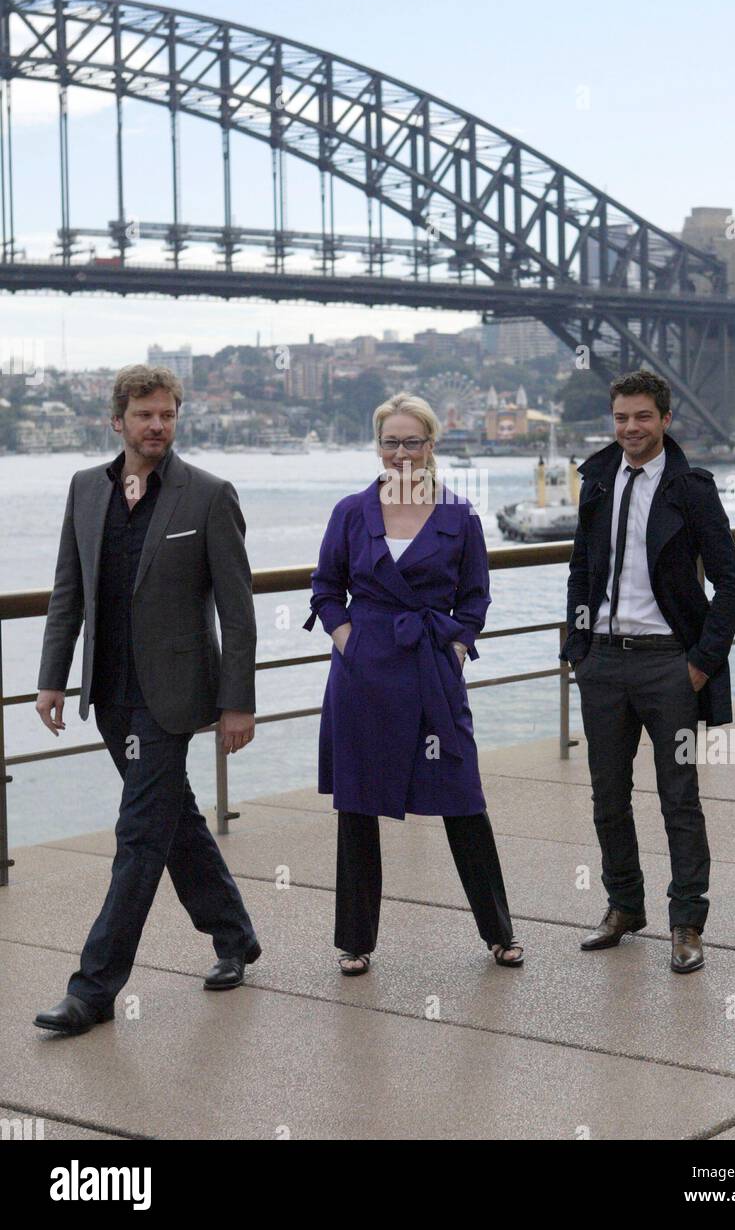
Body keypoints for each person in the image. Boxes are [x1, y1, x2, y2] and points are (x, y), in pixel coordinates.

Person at [33, 365, 260, 1036]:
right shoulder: (84, 489)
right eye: (143, 416)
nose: (156, 426)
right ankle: (234, 934)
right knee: (171, 819)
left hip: (173, 694)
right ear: (118, 421)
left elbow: (238, 612)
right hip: (108, 693)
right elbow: (67, 590)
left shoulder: (209, 496)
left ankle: (92, 991)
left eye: (165, 415)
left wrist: (236, 702)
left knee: (137, 836)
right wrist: (53, 678)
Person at [303, 391, 523, 975]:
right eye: (390, 442)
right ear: (378, 446)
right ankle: (354, 942)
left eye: (413, 441)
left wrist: (455, 644)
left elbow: (475, 597)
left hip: (431, 670)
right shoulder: (352, 511)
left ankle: (498, 932)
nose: (401, 453)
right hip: (364, 674)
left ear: (432, 446)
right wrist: (348, 640)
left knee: (462, 798)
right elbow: (325, 587)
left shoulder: (460, 515)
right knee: (358, 806)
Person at [559, 370, 735, 974]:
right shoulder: (596, 481)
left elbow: (730, 583)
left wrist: (700, 663)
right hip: (604, 663)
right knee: (607, 797)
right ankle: (623, 906)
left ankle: (687, 922)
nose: (630, 428)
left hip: (671, 664)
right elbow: (581, 572)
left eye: (642, 417)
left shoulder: (691, 488)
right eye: (620, 418)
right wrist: (579, 650)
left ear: (665, 420)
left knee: (679, 801)